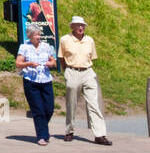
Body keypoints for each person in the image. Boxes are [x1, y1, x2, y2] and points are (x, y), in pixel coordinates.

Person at [59, 16, 111, 145]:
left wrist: (86, 69)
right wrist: (66, 71)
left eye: (82, 25)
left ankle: (100, 134)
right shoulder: (65, 39)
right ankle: (69, 131)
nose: (80, 28)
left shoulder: (89, 40)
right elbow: (61, 57)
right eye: (77, 25)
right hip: (72, 71)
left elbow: (91, 57)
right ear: (72, 27)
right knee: (72, 104)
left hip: (88, 72)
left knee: (94, 104)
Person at [16, 24, 58, 145]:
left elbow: (53, 61)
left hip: (46, 80)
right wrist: (29, 63)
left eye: (39, 34)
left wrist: (50, 64)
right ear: (29, 36)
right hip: (31, 80)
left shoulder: (46, 46)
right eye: (36, 35)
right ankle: (42, 136)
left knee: (49, 109)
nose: (38, 36)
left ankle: (43, 130)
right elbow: (18, 63)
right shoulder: (24, 47)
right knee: (38, 109)